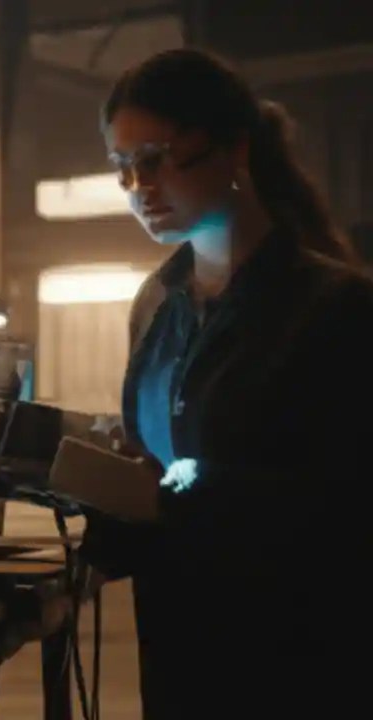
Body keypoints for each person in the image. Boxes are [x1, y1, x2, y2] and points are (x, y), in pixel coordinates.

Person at [82, 48, 373, 719]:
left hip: (303, 667)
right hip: (180, 662)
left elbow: (351, 508)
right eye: (122, 168)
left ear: (234, 148)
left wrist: (201, 488)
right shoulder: (156, 304)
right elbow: (154, 478)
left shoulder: (336, 310)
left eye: (153, 158)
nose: (138, 187)